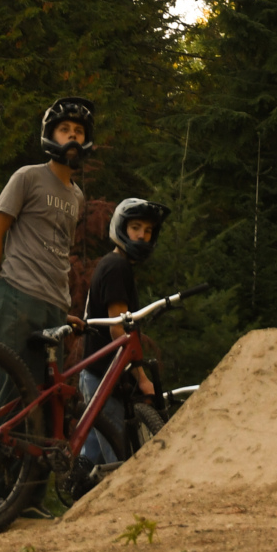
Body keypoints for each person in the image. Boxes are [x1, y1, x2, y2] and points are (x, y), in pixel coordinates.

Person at [0, 96, 92, 515]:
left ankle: (29, 500)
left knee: (47, 402)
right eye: (65, 130)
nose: (72, 137)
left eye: (79, 132)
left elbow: (55, 254)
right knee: (13, 396)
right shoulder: (27, 177)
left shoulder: (77, 197)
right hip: (16, 296)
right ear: (50, 135)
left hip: (52, 307)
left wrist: (62, 310)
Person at [77, 197, 170, 472]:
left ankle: (77, 491)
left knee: (92, 462)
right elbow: (118, 328)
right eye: (135, 227)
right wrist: (141, 378)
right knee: (119, 463)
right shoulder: (117, 267)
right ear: (121, 228)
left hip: (97, 374)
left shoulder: (115, 264)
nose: (142, 236)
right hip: (103, 377)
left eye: (148, 230)